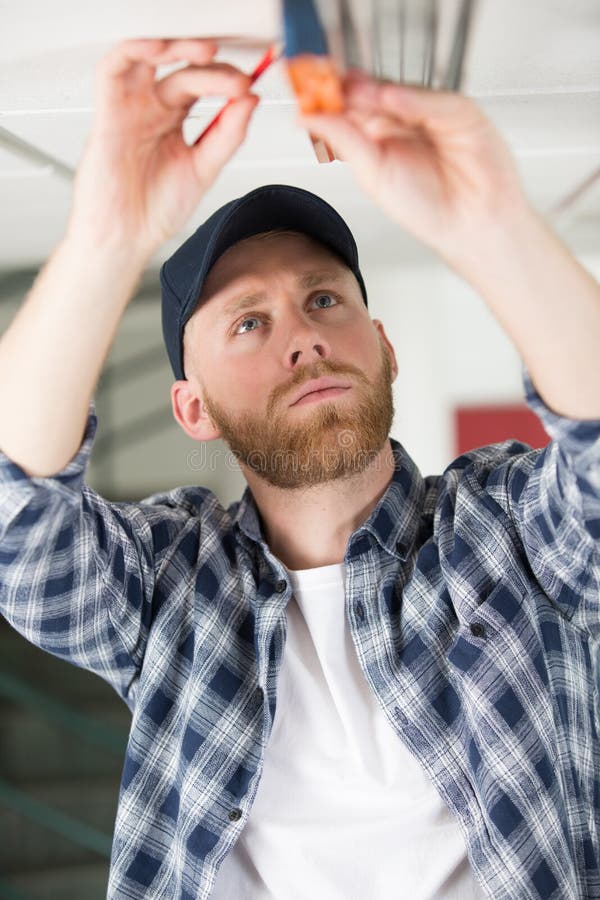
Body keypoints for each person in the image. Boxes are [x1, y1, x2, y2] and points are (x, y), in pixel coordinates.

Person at [0, 35, 598, 900]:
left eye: (324, 298)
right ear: (192, 407)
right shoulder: (168, 584)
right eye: (249, 322)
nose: (306, 336)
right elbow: (17, 513)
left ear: (384, 349)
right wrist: (106, 236)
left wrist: (486, 218)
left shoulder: (505, 532)